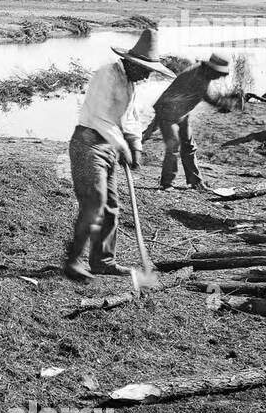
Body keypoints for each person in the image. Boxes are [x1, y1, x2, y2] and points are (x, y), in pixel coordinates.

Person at [64, 26, 173, 283]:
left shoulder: (131, 83)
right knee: (95, 202)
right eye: (145, 70)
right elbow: (102, 118)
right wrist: (123, 146)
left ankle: (103, 261)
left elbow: (130, 118)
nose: (147, 76)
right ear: (131, 63)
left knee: (111, 207)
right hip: (88, 145)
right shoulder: (107, 75)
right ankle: (73, 261)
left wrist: (135, 145)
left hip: (109, 148)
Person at [146, 52, 240, 191]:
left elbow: (210, 95)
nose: (220, 76)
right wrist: (229, 102)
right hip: (166, 112)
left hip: (181, 113)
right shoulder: (198, 76)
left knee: (189, 146)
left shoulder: (203, 73)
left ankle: (195, 182)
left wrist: (226, 99)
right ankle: (167, 183)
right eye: (218, 73)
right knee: (173, 146)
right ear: (211, 69)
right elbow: (209, 97)